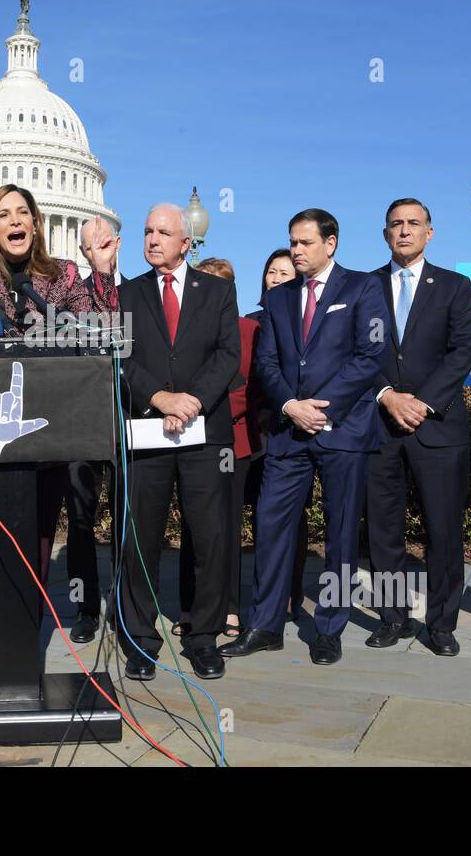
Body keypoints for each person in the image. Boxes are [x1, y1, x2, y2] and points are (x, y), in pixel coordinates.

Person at [0, 184, 118, 692]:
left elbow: (99, 331)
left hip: (44, 433)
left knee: (34, 532)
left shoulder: (62, 276)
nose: (16, 221)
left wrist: (103, 274)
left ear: (36, 223)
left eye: (24, 212)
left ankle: (19, 633)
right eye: (5, 214)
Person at [223, 208, 387, 666]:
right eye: (292, 242)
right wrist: (292, 407)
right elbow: (267, 363)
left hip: (343, 431)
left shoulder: (363, 288)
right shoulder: (279, 300)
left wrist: (320, 407)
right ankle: (265, 625)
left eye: (305, 243)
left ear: (330, 244)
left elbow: (370, 354)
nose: (295, 250)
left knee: (338, 535)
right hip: (288, 433)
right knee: (272, 527)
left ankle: (330, 629)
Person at [116, 203, 240, 682]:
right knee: (140, 539)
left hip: (203, 432)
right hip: (146, 430)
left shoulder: (218, 292)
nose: (151, 239)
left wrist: (191, 401)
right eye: (147, 231)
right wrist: (159, 398)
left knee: (208, 536)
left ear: (185, 243)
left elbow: (229, 353)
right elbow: (120, 357)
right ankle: (142, 640)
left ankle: (203, 636)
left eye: (162, 232)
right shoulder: (127, 294)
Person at [365, 198, 471, 656]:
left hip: (439, 428)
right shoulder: (362, 287)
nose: (405, 230)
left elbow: (462, 351)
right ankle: (394, 619)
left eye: (414, 224)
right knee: (383, 531)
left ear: (430, 233)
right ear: (385, 233)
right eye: (396, 224)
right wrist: (388, 396)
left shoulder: (454, 286)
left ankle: (442, 623)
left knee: (444, 529)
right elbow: (356, 353)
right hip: (379, 426)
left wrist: (423, 403)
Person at [176, 257, 259, 641]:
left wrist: (199, 408)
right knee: (192, 531)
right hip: (185, 436)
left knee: (223, 531)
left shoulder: (245, 330)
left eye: (214, 284)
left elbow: (246, 387)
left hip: (230, 442)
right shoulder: (181, 327)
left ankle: (228, 608)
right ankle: (189, 607)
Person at [64, 216, 123, 644]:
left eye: (105, 241)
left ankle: (124, 604)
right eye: (91, 245)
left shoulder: (139, 292)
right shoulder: (71, 298)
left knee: (127, 517)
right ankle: (85, 609)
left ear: (117, 242)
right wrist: (101, 276)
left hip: (127, 419)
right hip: (82, 421)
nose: (99, 247)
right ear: (84, 252)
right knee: (82, 521)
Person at [247, 248, 310, 620]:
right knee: (263, 519)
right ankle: (262, 595)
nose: (276, 278)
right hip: (256, 432)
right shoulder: (250, 321)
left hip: (291, 430)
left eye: (285, 273)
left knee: (292, 520)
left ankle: (290, 593)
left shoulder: (306, 325)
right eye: (272, 271)